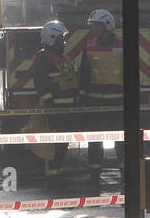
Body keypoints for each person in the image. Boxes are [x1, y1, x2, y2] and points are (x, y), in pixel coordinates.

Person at [27, 20, 79, 177]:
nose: (64, 42)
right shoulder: (43, 58)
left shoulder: (61, 57)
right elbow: (41, 84)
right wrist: (49, 104)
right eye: (61, 39)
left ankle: (57, 170)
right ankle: (53, 174)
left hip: (67, 108)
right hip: (55, 109)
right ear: (51, 38)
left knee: (62, 143)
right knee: (54, 145)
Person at [76, 9, 123, 171]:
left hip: (118, 102)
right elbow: (84, 73)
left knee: (121, 138)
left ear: (107, 26)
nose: (94, 30)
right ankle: (95, 171)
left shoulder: (122, 45)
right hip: (95, 101)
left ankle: (125, 170)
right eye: (93, 27)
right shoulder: (89, 46)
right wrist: (82, 98)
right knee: (95, 138)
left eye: (97, 27)